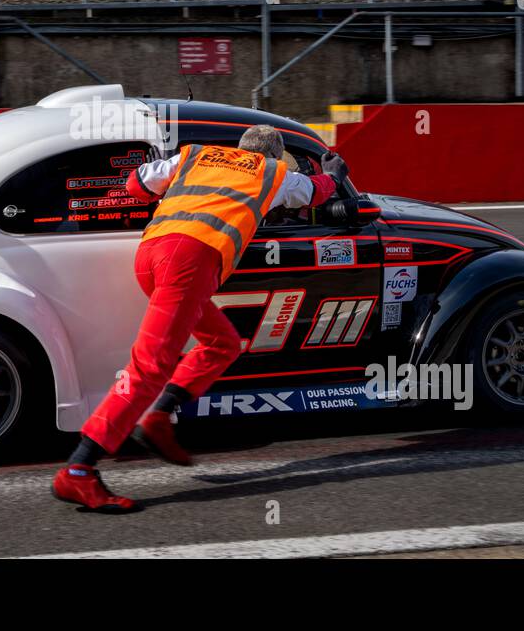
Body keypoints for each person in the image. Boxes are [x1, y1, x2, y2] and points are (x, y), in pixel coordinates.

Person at [51, 125, 345, 511]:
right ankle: (78, 470)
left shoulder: (196, 155)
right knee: (150, 367)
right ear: (274, 157)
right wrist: (334, 175)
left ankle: (160, 415)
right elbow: (314, 193)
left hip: (152, 254)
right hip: (190, 262)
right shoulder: (272, 173)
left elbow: (136, 184)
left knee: (223, 343)